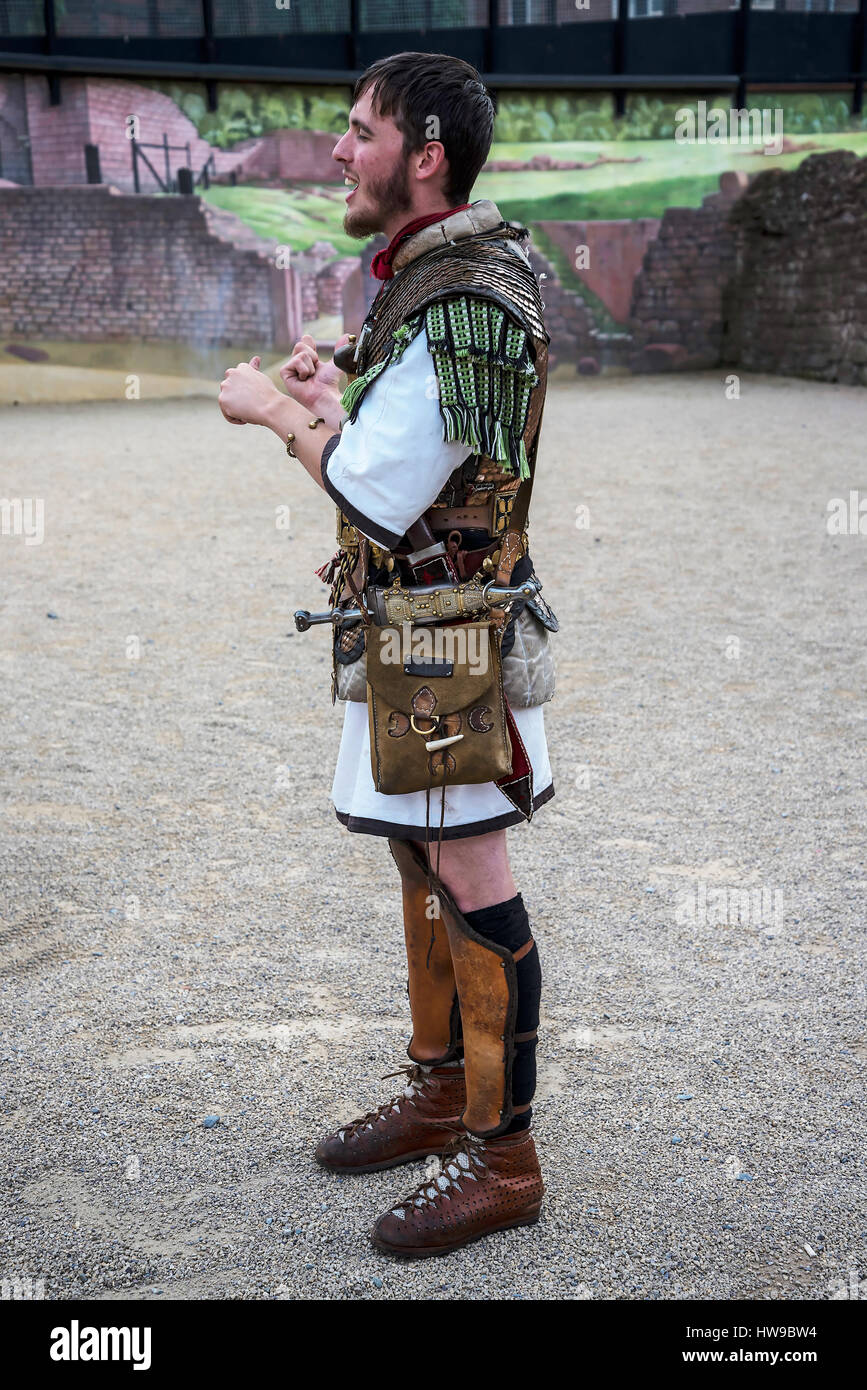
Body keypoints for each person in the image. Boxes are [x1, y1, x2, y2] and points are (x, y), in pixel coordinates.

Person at [218, 51, 557, 1258]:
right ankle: (437, 1093)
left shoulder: (461, 294)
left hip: (447, 635)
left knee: (471, 874)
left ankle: (504, 1158)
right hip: (427, 627)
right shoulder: (460, 270)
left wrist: (279, 413)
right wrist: (350, 381)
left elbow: (373, 491)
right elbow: (426, 429)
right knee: (424, 857)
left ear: (424, 154)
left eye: (358, 132)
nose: (337, 152)